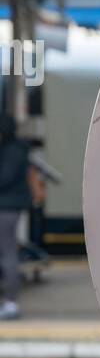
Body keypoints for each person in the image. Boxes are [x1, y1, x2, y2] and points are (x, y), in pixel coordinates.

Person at [0, 113, 31, 320]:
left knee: (7, 253)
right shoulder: (16, 149)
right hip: (9, 206)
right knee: (7, 252)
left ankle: (11, 303)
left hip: (6, 208)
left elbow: (4, 178)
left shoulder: (12, 151)